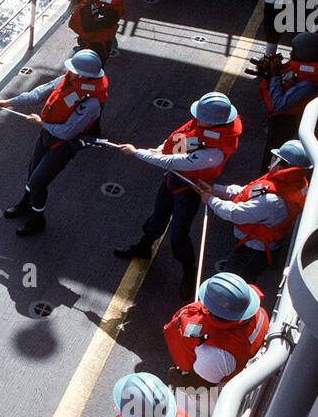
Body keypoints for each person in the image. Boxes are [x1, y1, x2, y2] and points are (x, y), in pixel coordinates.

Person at [114, 91, 242, 296]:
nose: (197, 119)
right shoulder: (203, 128)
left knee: (178, 235)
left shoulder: (214, 153)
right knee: (158, 216)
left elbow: (172, 162)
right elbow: (177, 143)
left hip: (190, 188)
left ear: (214, 123)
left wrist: (137, 152)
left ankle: (190, 272)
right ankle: (144, 247)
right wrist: (157, 149)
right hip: (174, 179)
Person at [0, 50, 108, 236]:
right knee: (33, 170)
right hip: (47, 134)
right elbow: (39, 92)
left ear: (82, 75)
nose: (68, 71)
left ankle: (38, 219)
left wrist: (41, 122)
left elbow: (67, 132)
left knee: (39, 182)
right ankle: (25, 202)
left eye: (73, 70)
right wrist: (9, 102)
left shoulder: (92, 102)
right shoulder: (71, 81)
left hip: (63, 145)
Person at [198, 138, 312, 282]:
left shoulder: (273, 200)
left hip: (254, 251)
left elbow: (235, 214)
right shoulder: (295, 184)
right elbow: (247, 192)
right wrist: (215, 190)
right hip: (258, 244)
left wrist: (210, 200)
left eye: (275, 158)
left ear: (281, 166)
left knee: (233, 280)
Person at [164, 272, 269, 388]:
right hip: (231, 366)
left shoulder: (214, 355)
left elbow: (198, 387)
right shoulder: (255, 312)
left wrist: (174, 377)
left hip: (210, 387)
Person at [255, 32, 318, 168]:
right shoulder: (303, 65)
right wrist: (266, 71)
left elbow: (278, 105)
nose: (290, 54)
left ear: (304, 54)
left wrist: (275, 75)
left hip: (287, 122)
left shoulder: (308, 84)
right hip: (285, 115)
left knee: (274, 153)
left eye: (293, 51)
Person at [67, 0, 126, 67]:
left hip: (97, 46)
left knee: (91, 70)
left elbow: (88, 26)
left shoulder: (112, 12)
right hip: (87, 42)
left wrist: (86, 4)